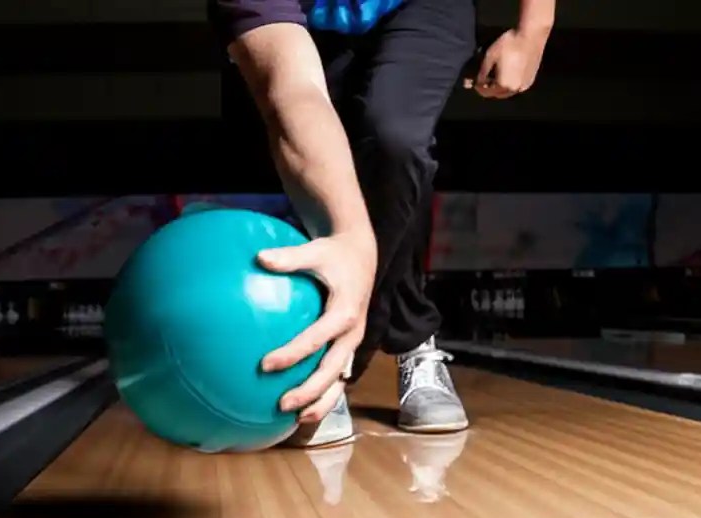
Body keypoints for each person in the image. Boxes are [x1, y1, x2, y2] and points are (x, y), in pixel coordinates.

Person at [209, 0, 555, 445]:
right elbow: (292, 95)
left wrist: (534, 27)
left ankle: (338, 357)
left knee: (396, 138)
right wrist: (350, 232)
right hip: (310, 23)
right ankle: (407, 335)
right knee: (326, 161)